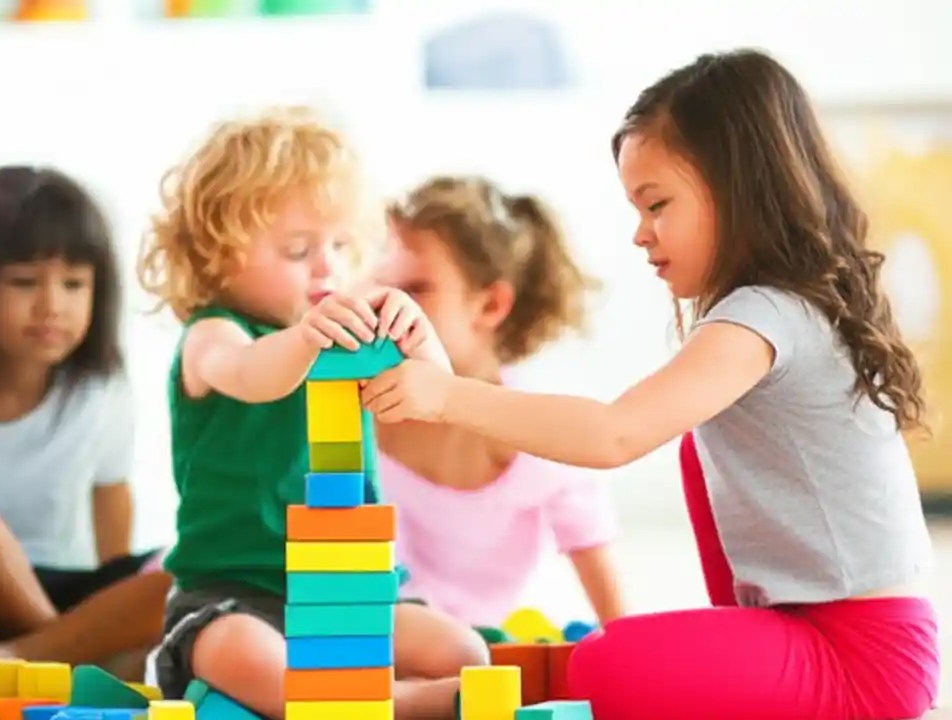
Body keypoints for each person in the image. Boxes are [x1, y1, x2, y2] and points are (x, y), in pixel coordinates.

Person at [361, 49, 940, 720]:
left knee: (607, 662)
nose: (640, 234)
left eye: (656, 204)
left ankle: (438, 704)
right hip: (823, 636)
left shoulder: (767, 313)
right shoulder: (773, 310)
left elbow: (614, 433)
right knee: (627, 631)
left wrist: (445, 395)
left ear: (737, 187)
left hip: (860, 656)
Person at [137, 106, 489, 719]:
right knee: (244, 655)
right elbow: (249, 377)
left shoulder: (348, 339)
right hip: (234, 594)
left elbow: (434, 401)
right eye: (298, 249)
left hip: (350, 588)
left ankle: (365, 701)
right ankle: (403, 708)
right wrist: (306, 338)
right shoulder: (213, 335)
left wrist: (419, 338)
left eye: (341, 246)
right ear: (216, 255)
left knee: (464, 650)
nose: (327, 267)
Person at [0, 166, 170, 677]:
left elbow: (110, 498)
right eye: (25, 282)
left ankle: (43, 654)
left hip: (70, 590)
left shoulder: (100, 392)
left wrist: (113, 605)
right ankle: (68, 657)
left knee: (191, 568)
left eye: (74, 284)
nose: (52, 306)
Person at [378, 177, 624, 633]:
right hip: (365, 637)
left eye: (415, 289)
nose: (389, 308)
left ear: (490, 305)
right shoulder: (355, 407)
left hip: (472, 650)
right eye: (381, 286)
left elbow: (612, 602)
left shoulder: (534, 436)